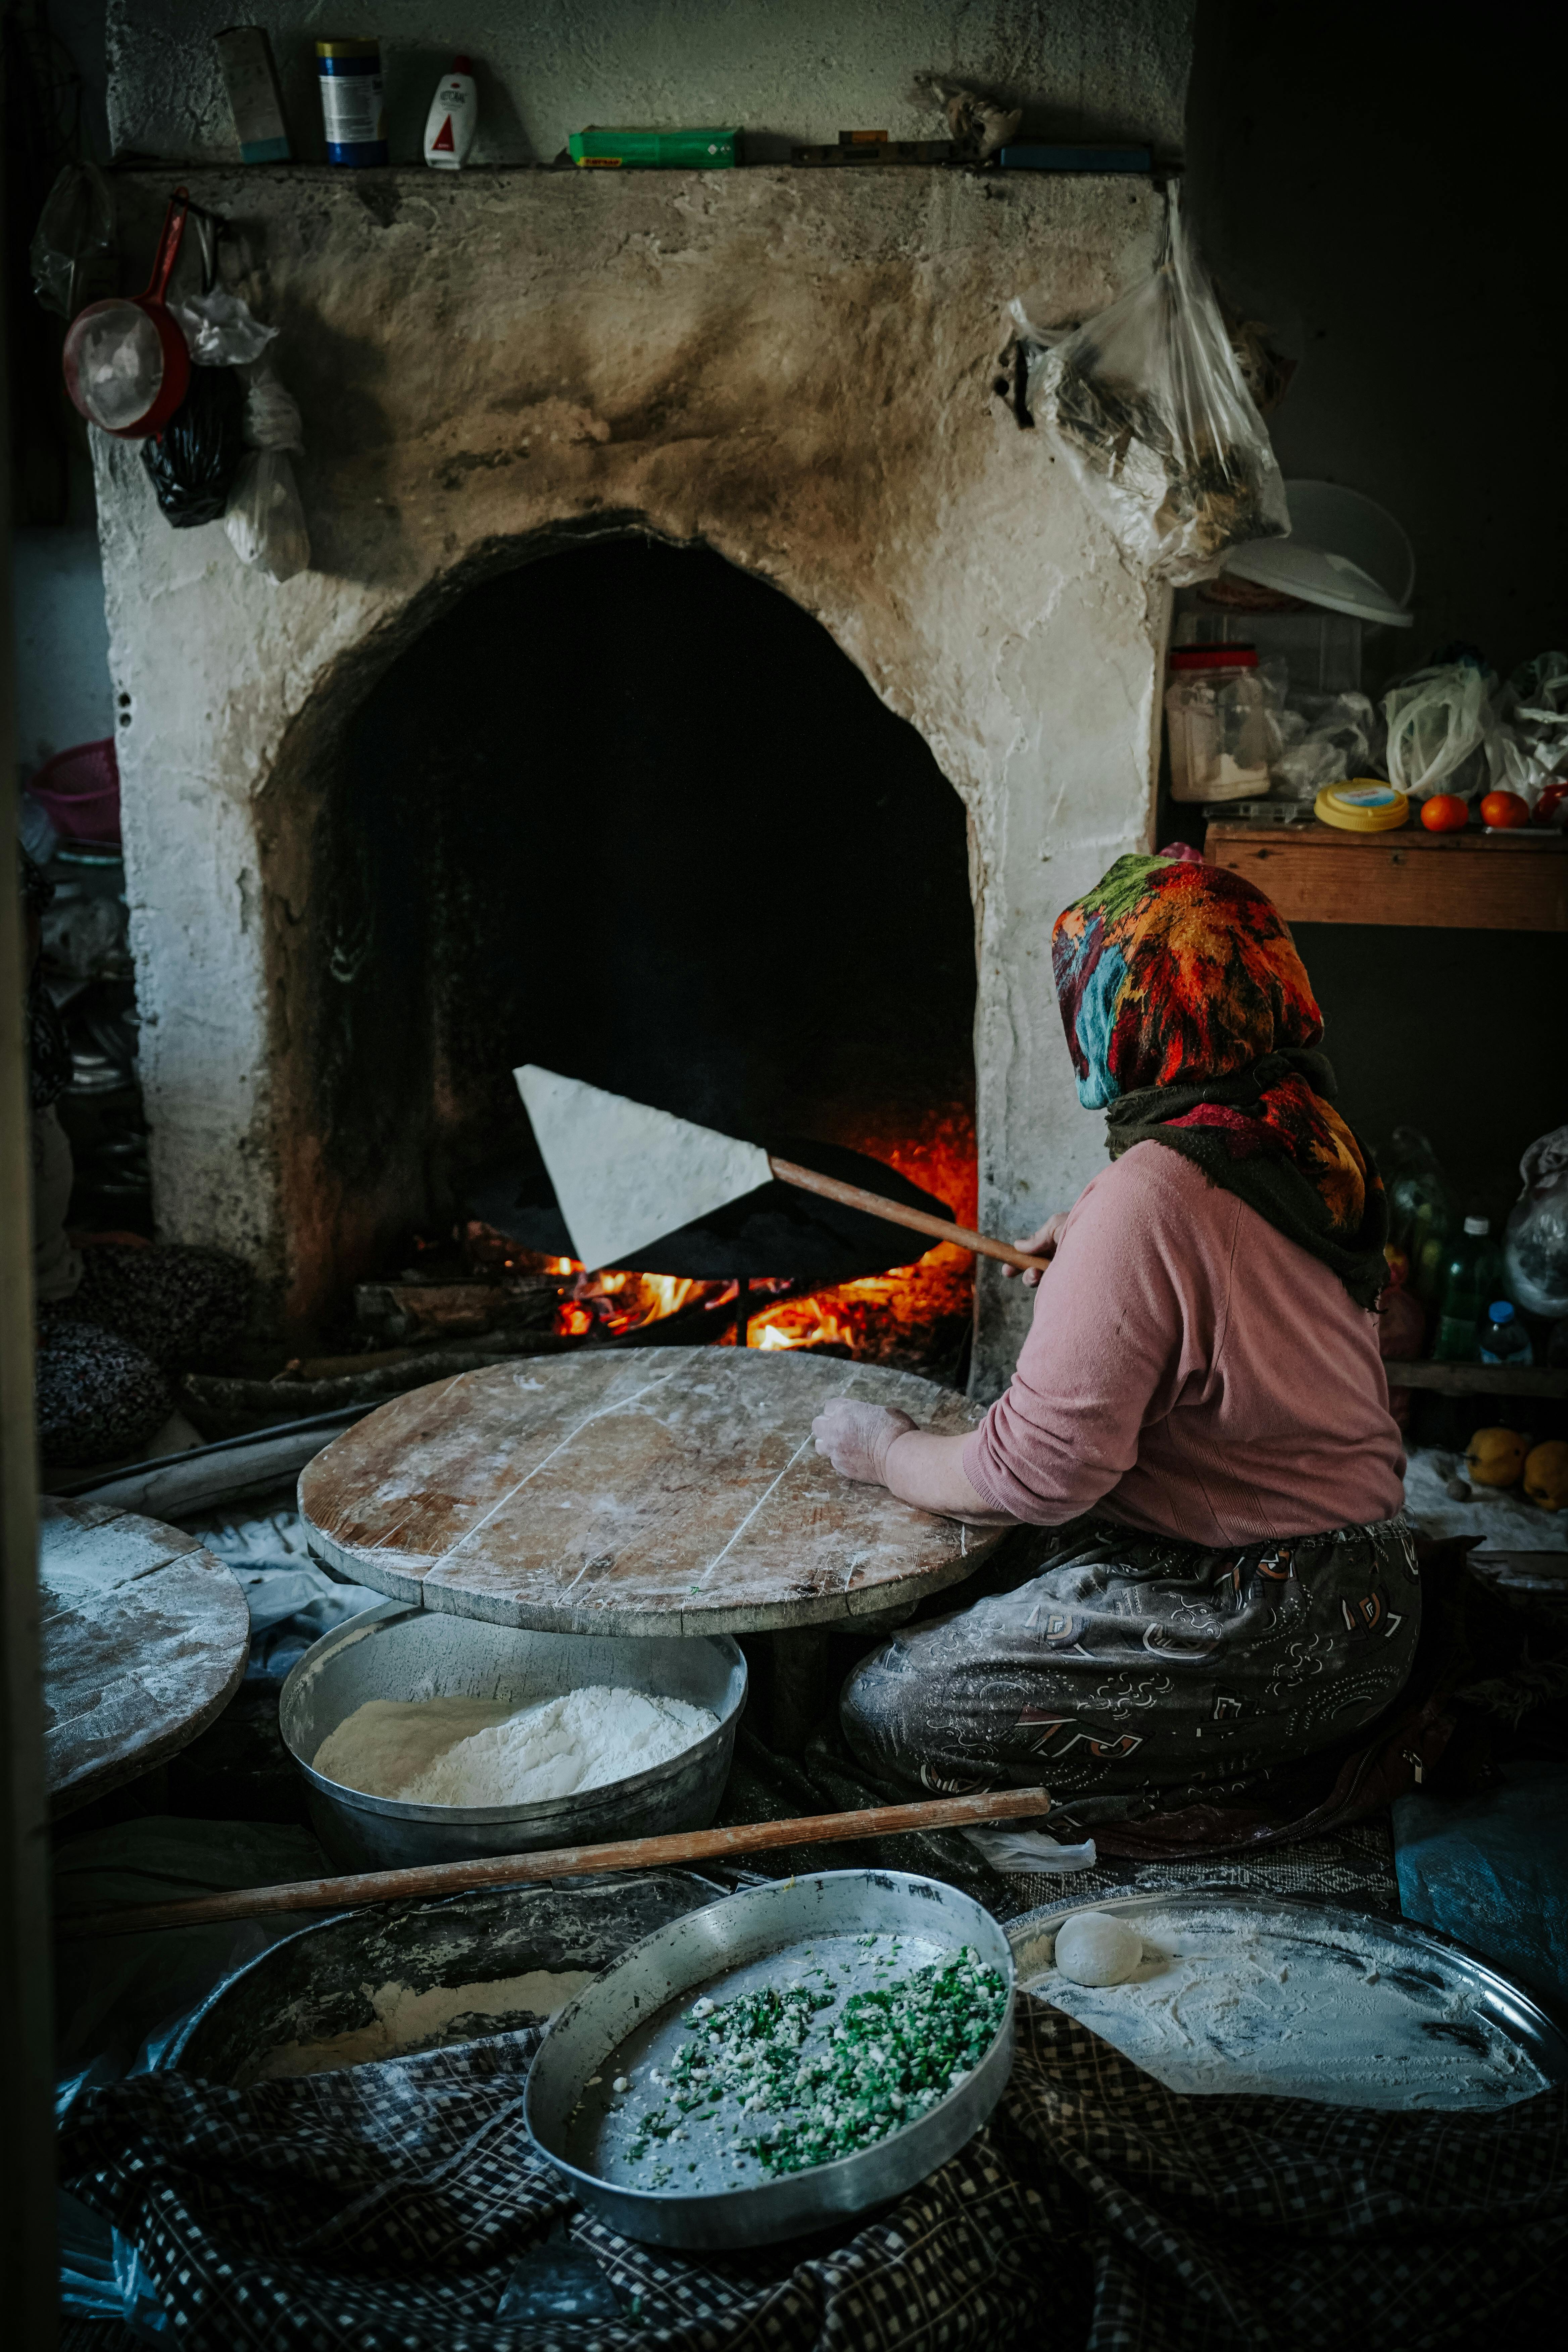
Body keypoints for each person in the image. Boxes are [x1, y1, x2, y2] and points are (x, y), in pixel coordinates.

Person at [812, 850, 1413, 1829]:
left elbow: (1037, 1473)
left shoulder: (1157, 1194)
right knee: (934, 1596)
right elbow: (1219, 1269)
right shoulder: (1301, 1135)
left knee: (888, 1710)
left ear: (1120, 1016)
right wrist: (1098, 1239)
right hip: (1362, 1584)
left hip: (1281, 1618)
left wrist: (887, 1453)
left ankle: (1250, 1770)